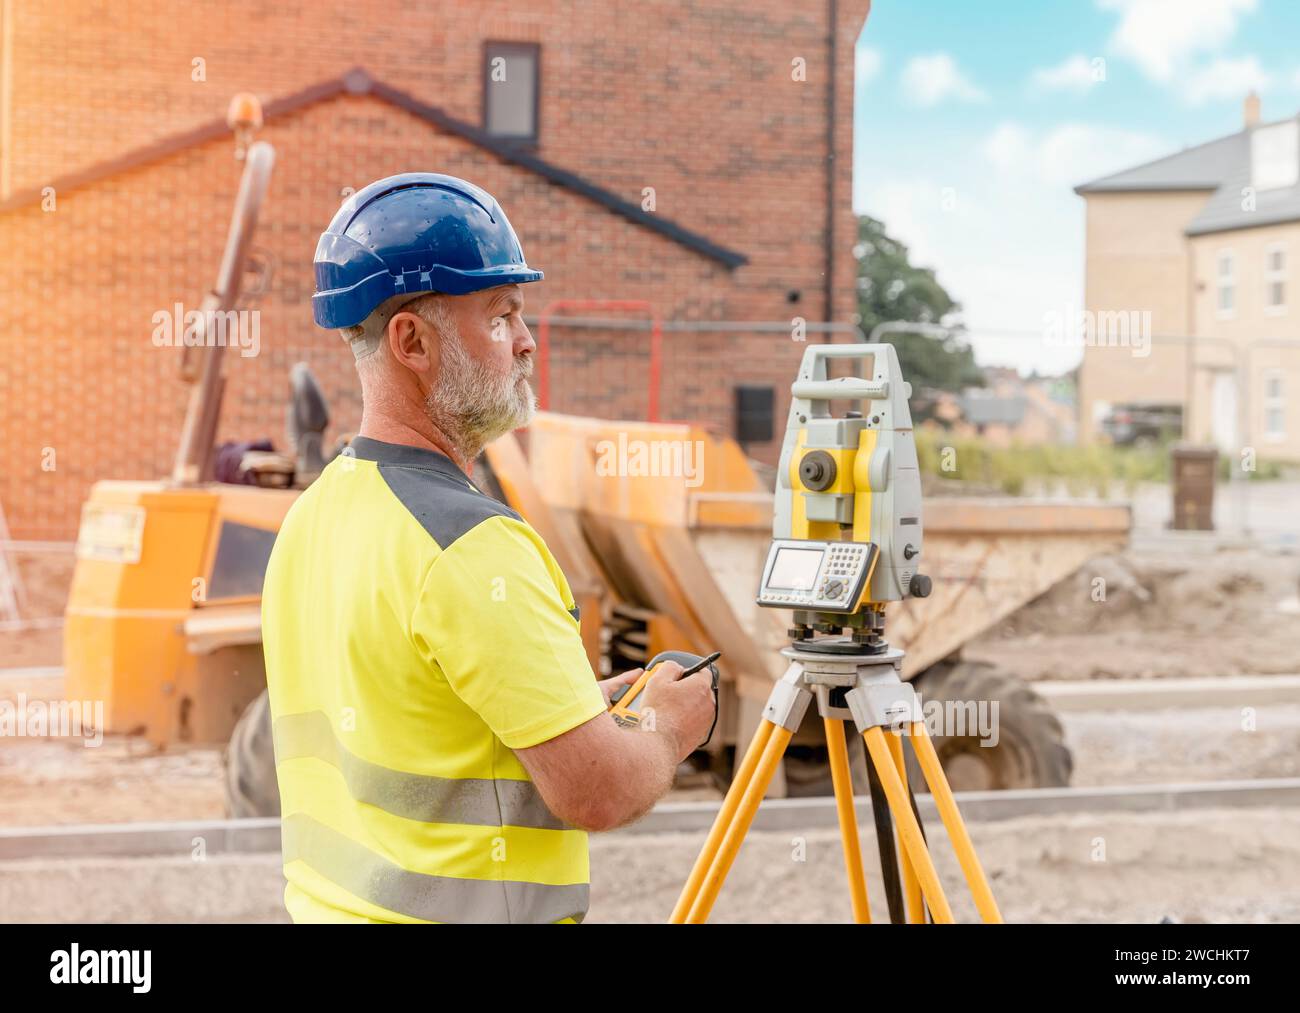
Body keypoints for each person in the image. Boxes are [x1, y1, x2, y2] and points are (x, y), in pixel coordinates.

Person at [261, 173, 715, 923]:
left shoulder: (315, 516)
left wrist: (568, 713)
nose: (528, 342)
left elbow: (408, 722)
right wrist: (668, 725)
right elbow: (598, 788)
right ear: (412, 340)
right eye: (501, 316)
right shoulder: (473, 546)